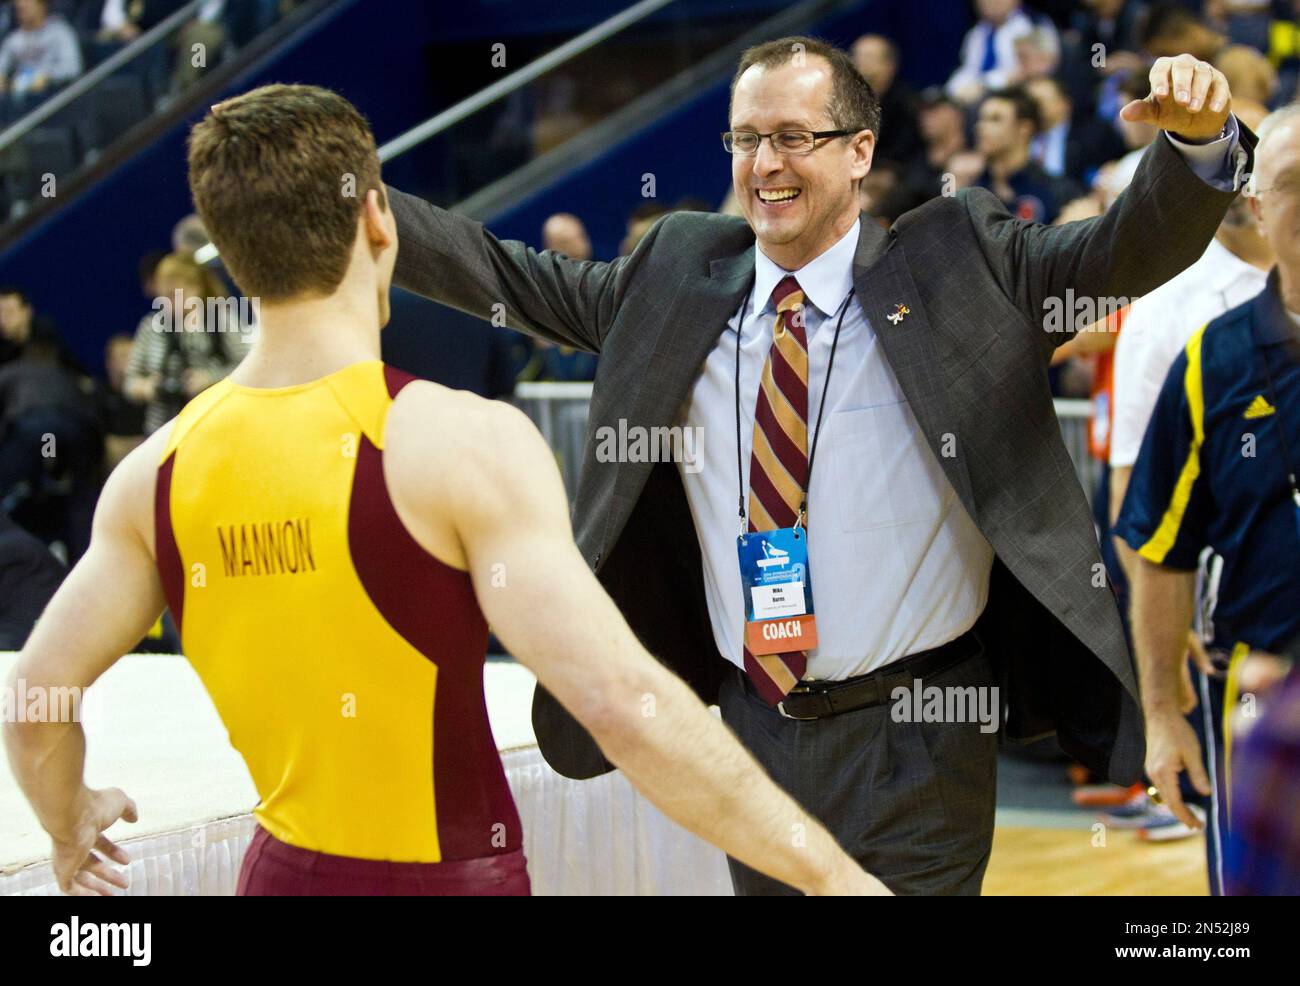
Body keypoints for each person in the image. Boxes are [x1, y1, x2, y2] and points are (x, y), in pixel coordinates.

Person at [386, 37, 1254, 894]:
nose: (766, 163)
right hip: (751, 732)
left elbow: (1120, 253)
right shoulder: (676, 273)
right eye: (746, 138)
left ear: (860, 151)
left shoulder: (961, 261)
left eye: (794, 136)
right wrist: (351, 196)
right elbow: (506, 274)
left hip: (918, 739)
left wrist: (1193, 146)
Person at [1, 83, 889, 898]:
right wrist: (833, 877)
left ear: (228, 255)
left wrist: (68, 820)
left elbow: (37, 700)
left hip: (279, 876)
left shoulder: (153, 475)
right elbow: (626, 706)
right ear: (381, 223)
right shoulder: (460, 443)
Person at [1114, 104, 1300, 896]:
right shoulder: (1209, 363)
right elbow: (1161, 548)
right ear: (1258, 204)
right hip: (1253, 707)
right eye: (1295, 185)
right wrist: (1162, 713)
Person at [974, 85, 1083, 223]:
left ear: (1024, 129)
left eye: (995, 119)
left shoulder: (1059, 193)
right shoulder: (972, 192)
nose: (981, 127)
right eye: (981, 119)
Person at [0, 0, 81, 102]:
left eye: (27, 2)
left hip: (52, 97)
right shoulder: (14, 39)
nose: (21, 4)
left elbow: (72, 68)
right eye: (19, 5)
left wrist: (48, 77)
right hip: (20, 98)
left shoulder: (60, 32)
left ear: (42, 5)